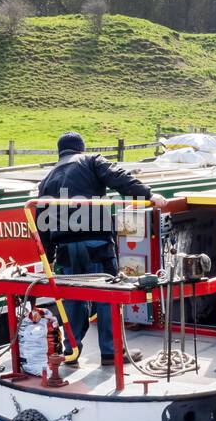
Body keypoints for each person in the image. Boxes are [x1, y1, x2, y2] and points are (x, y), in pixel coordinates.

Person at [36, 132, 164, 363]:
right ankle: (111, 352)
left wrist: (49, 256)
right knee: (107, 295)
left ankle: (71, 351)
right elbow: (118, 177)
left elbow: (41, 222)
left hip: (64, 247)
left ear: (60, 152)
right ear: (80, 149)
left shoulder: (47, 178)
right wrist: (148, 194)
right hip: (96, 243)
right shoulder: (91, 160)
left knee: (71, 297)